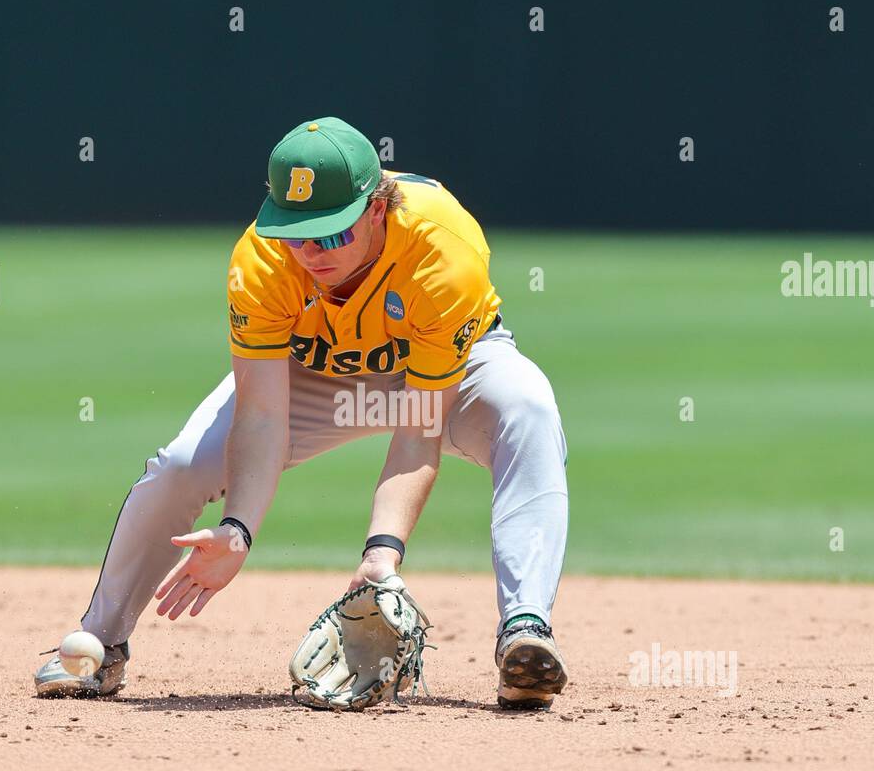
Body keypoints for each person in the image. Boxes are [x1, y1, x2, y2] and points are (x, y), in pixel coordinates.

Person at [35, 116, 570, 708]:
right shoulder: (262, 260)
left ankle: (525, 632)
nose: (310, 251)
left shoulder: (442, 251)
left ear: (376, 208)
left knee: (528, 409)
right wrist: (238, 530)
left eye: (330, 233)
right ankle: (99, 646)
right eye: (296, 233)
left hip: (443, 365)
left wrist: (380, 556)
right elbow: (262, 415)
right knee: (183, 464)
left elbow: (418, 431)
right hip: (317, 374)